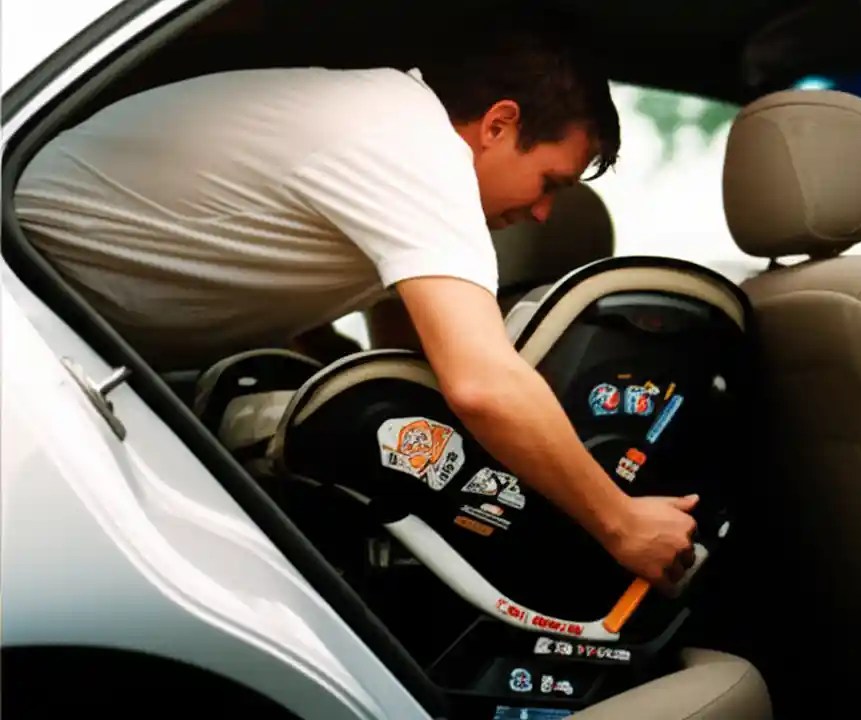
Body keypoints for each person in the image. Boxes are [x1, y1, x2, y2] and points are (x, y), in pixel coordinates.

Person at [13, 29, 700, 591]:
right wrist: (619, 522)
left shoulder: (379, 130)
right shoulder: (415, 150)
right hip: (25, 333)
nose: (546, 212)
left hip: (50, 337)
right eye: (549, 180)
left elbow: (408, 363)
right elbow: (480, 384)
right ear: (499, 124)